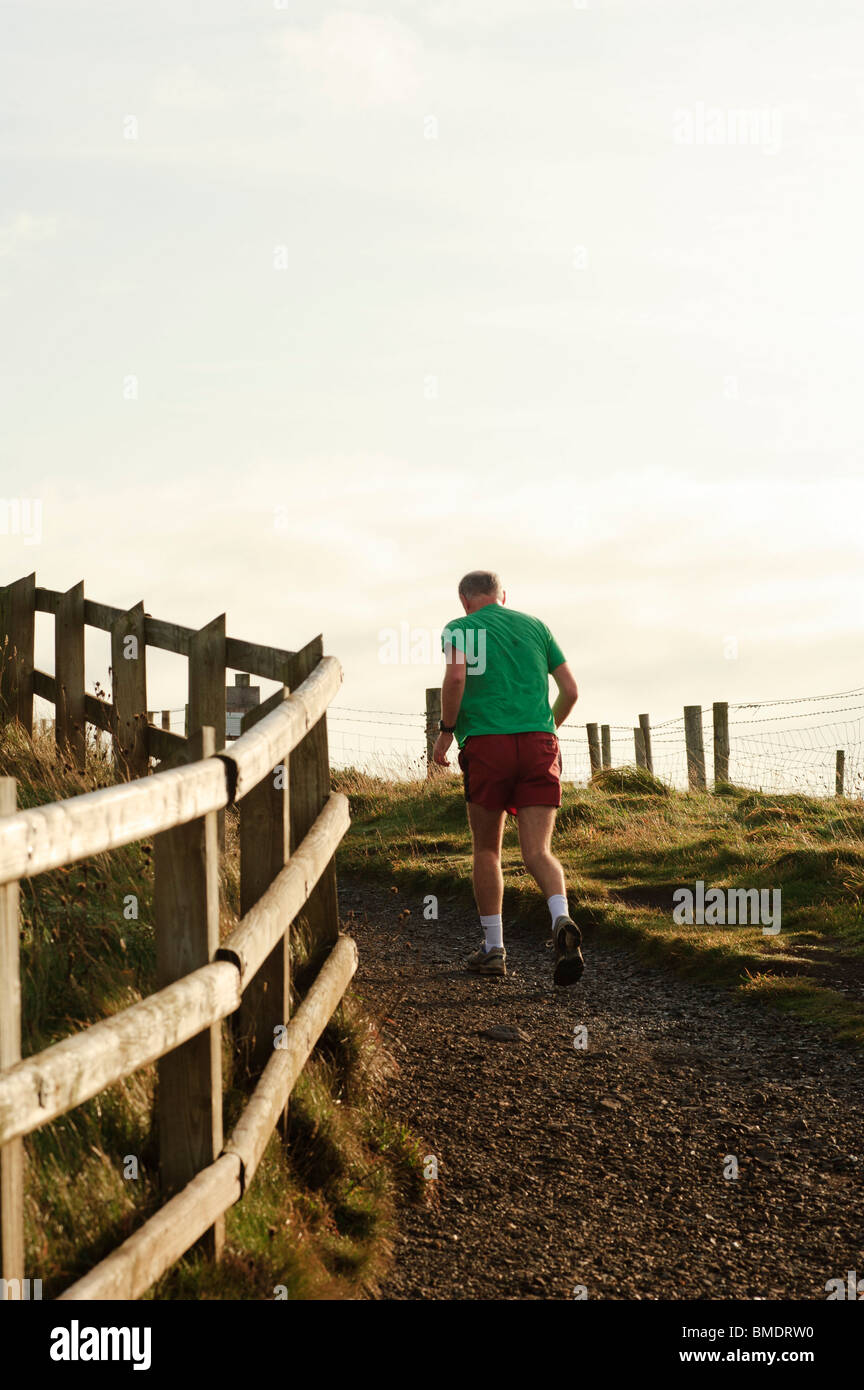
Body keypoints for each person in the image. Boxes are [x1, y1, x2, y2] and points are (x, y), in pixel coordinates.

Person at [432, 570, 584, 986]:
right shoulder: (537, 627)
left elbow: (457, 677)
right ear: (504, 596)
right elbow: (571, 690)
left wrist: (445, 731)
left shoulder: (459, 628)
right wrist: (546, 728)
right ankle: (561, 919)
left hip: (487, 745)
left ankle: (494, 949)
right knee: (538, 852)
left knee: (488, 850)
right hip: (539, 743)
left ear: (464, 600)